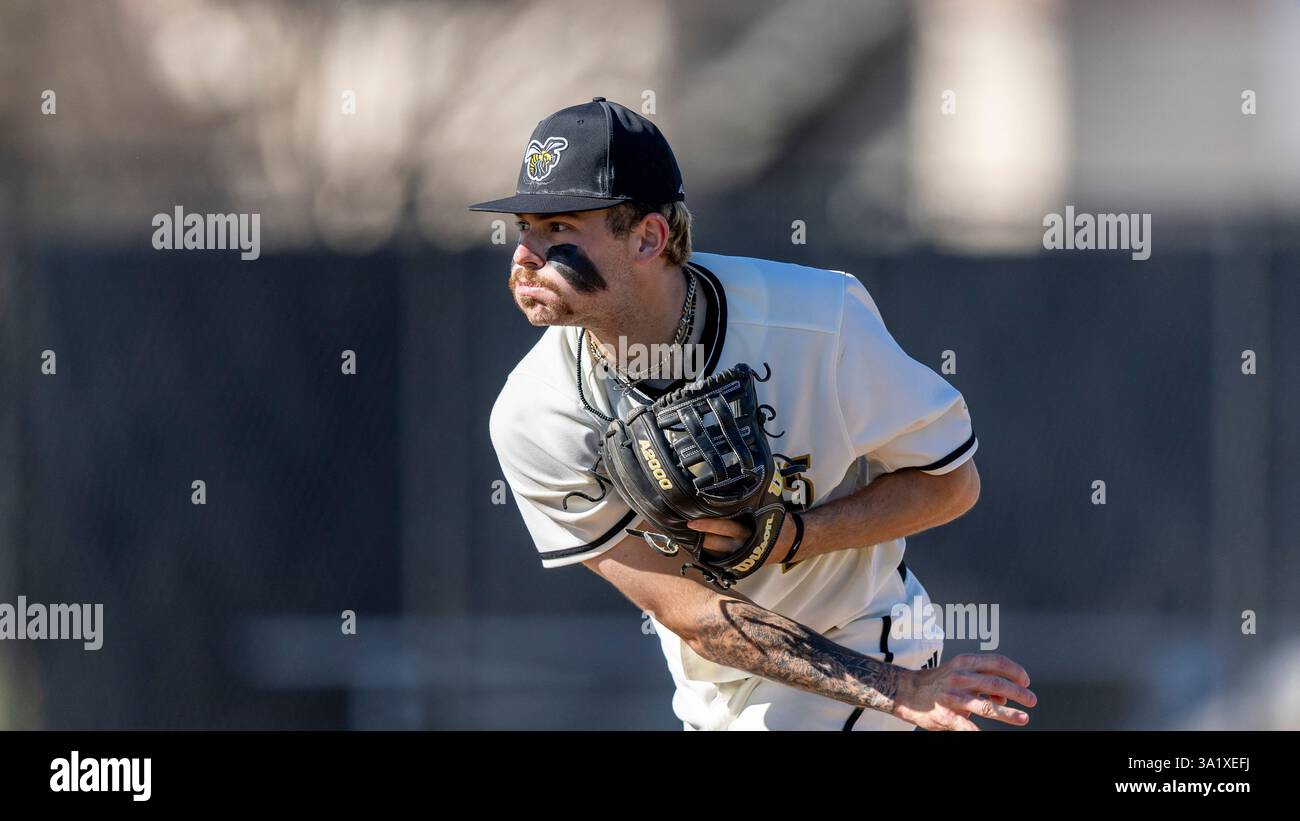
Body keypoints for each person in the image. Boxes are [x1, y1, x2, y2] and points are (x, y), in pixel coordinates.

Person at [475, 97, 1036, 730]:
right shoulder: (536, 415)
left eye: (560, 231)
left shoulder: (817, 320)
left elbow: (952, 482)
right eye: (525, 227)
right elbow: (692, 614)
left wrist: (800, 539)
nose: (524, 255)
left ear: (649, 237)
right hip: (716, 690)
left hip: (863, 635)